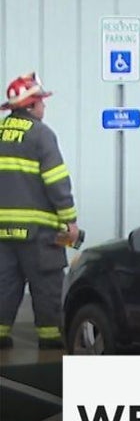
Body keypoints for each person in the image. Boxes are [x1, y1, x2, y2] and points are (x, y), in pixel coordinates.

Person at [0, 72, 81, 350]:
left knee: (4, 283)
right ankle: (49, 337)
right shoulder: (41, 135)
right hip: (39, 233)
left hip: (2, 231)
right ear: (31, 106)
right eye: (41, 103)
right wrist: (69, 221)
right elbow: (57, 181)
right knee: (47, 283)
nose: (44, 107)